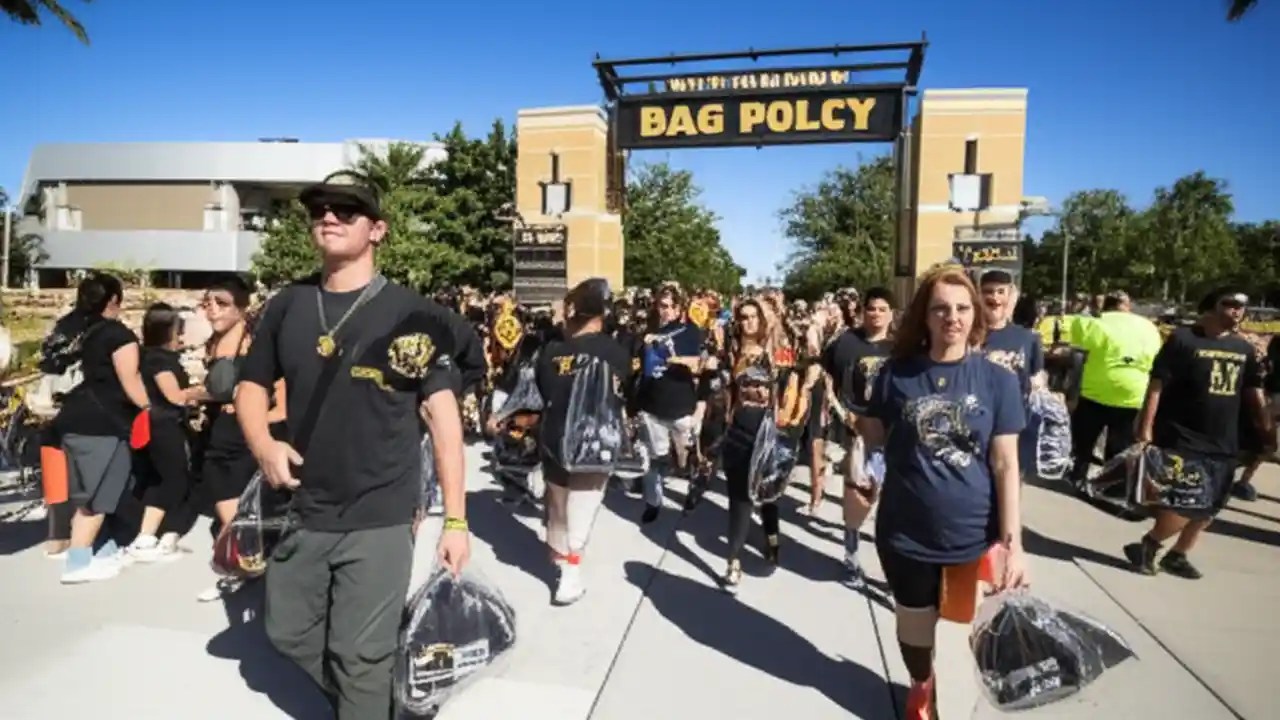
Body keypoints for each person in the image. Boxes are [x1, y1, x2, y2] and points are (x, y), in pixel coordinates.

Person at [237, 172, 472, 718]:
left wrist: (455, 521)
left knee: (359, 653)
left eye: (347, 211)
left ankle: (367, 701)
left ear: (378, 230)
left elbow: (444, 421)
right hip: (304, 505)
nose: (329, 217)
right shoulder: (287, 304)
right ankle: (388, 704)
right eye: (320, 209)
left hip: (381, 513)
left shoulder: (412, 314)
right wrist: (263, 446)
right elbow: (251, 385)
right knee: (288, 633)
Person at [856, 266, 1027, 719]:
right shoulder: (896, 375)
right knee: (913, 623)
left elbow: (1007, 464)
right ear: (924, 318)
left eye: (962, 308)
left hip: (971, 534)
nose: (952, 317)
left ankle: (954, 694)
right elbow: (873, 432)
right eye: (941, 309)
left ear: (976, 315)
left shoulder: (998, 381)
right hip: (904, 529)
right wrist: (863, 468)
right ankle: (920, 683)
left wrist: (1014, 543)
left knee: (965, 632)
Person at [1125, 287, 1273, 579]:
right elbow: (1157, 386)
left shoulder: (1244, 349)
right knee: (1190, 501)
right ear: (1210, 308)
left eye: (1242, 306)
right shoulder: (1183, 339)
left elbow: (1252, 391)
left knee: (1212, 505)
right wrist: (1145, 427)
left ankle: (1178, 554)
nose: (1237, 310)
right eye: (1229, 304)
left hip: (1225, 438)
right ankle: (1149, 544)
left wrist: (1265, 428)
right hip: (1184, 436)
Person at [534, 278, 632, 605]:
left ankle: (563, 563)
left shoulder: (550, 351)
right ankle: (570, 575)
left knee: (559, 508)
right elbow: (628, 394)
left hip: (555, 437)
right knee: (584, 507)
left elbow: (543, 390)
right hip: (596, 440)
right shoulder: (615, 353)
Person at [51, 273, 152, 584]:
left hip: (71, 418)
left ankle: (103, 550)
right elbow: (130, 380)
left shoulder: (70, 328)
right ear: (113, 301)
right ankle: (78, 563)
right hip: (104, 421)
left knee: (95, 491)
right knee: (96, 495)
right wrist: (152, 407)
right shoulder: (116, 335)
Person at [196, 275, 288, 602]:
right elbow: (219, 390)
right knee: (231, 515)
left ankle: (246, 573)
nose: (212, 310)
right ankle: (242, 569)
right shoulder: (215, 344)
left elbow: (283, 405)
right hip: (219, 440)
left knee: (246, 517)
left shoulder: (258, 346)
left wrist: (253, 420)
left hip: (246, 441)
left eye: (221, 304)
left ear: (242, 308)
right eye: (207, 303)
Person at [823, 286, 895, 588]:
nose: (876, 314)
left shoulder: (902, 347)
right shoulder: (847, 343)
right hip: (857, 435)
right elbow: (827, 375)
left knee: (892, 507)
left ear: (891, 313)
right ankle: (851, 559)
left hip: (893, 437)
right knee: (855, 500)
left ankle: (893, 569)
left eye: (882, 309)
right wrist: (839, 410)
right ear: (862, 311)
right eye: (871, 308)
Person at [124, 303, 205, 562]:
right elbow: (175, 396)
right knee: (175, 479)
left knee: (162, 480)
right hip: (164, 426)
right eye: (179, 331)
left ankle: (150, 536)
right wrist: (206, 391)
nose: (181, 336)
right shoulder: (160, 360)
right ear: (168, 331)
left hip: (158, 425)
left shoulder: (150, 356)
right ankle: (153, 537)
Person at [719, 297, 785, 593]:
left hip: (766, 431)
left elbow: (789, 388)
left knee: (767, 494)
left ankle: (772, 540)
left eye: (752, 316)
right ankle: (733, 560)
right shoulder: (730, 352)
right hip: (736, 431)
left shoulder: (773, 353)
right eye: (742, 317)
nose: (747, 322)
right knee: (739, 499)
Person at [1064, 290, 1162, 489]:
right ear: (1128, 306)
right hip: (1134, 392)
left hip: (1097, 391)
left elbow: (1076, 345)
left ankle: (1078, 474)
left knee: (1084, 438)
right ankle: (1112, 484)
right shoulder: (1149, 327)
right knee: (1120, 443)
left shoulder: (1096, 323)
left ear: (1104, 306)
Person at [635, 285, 703, 523]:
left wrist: (670, 355)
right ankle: (653, 502)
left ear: (678, 308)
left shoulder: (689, 331)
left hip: (681, 404)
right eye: (659, 305)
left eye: (666, 306)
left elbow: (698, 363)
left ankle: (691, 490)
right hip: (653, 404)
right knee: (655, 457)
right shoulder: (649, 329)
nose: (662, 311)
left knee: (688, 456)